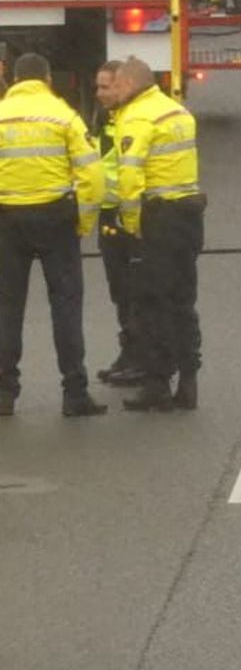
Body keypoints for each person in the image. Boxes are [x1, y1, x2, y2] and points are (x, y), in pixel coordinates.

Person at [0, 52, 107, 417]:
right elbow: (93, 176)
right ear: (47, 80)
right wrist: (83, 222)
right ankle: (74, 393)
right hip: (56, 219)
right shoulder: (64, 116)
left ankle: (4, 393)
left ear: (15, 80)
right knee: (66, 305)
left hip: (7, 220)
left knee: (7, 306)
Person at [112, 58, 204, 413]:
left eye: (116, 85)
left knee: (151, 301)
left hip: (158, 218)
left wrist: (131, 223)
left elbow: (130, 175)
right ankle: (189, 380)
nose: (114, 92)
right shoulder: (177, 111)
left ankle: (157, 384)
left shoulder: (137, 117)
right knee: (183, 299)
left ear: (130, 83)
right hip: (189, 214)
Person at [93, 61, 144, 387]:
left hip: (130, 218)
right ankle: (129, 353)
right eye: (97, 86)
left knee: (135, 291)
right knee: (120, 292)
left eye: (106, 86)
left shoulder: (132, 121)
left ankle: (141, 358)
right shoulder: (104, 118)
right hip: (108, 214)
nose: (99, 93)